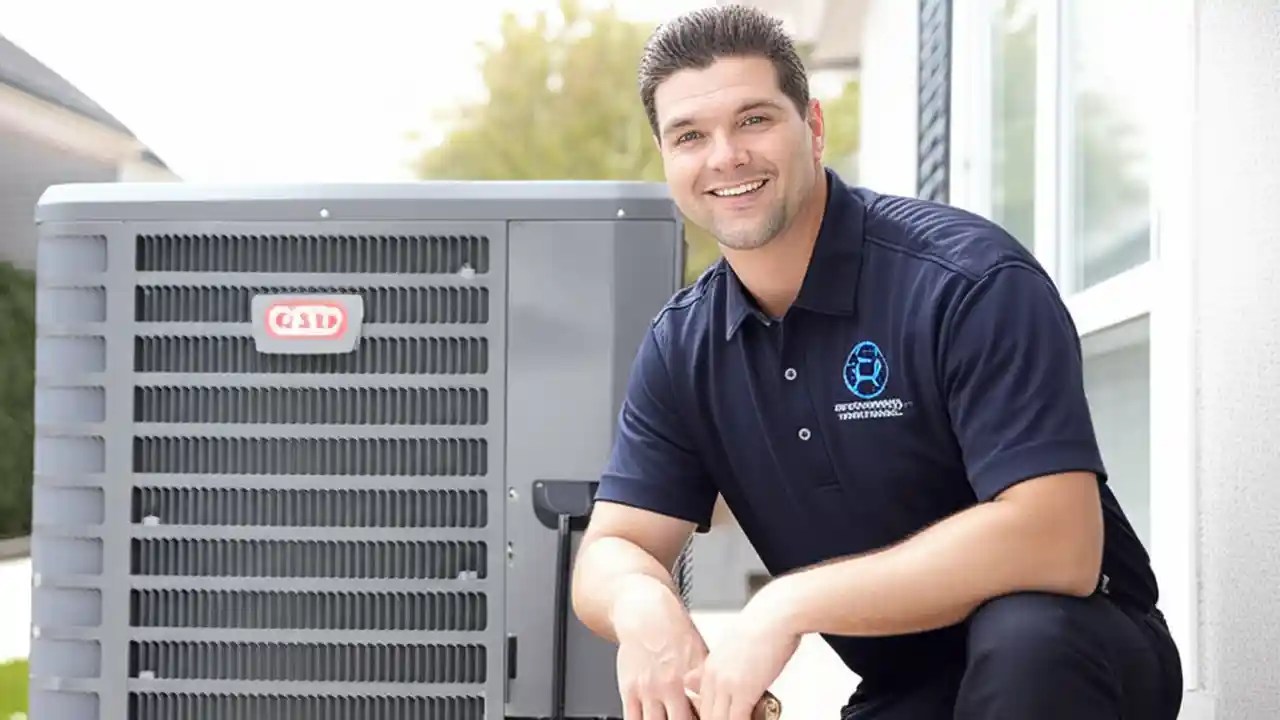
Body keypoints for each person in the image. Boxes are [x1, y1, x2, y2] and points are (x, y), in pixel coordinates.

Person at [569, 4, 1183, 720]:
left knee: (1025, 639)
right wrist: (642, 603)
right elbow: (611, 549)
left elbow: (1058, 541)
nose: (725, 156)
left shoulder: (966, 282)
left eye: (755, 120)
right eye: (690, 136)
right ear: (668, 160)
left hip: (1080, 656)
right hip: (914, 684)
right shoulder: (685, 346)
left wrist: (789, 603)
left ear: (815, 128)